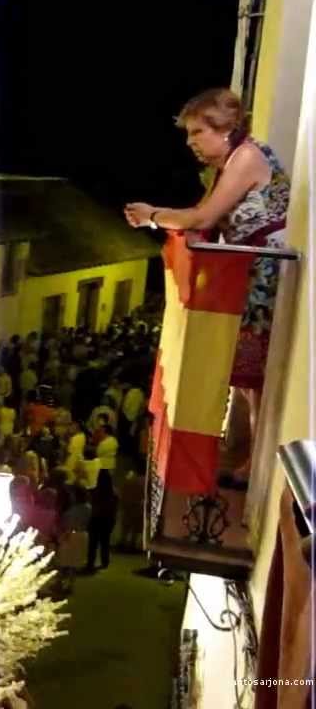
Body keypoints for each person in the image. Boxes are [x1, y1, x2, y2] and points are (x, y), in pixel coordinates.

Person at [125, 88, 291, 483]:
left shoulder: (246, 158)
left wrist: (153, 216)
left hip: (265, 277)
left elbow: (202, 217)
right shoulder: (231, 163)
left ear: (226, 128)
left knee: (255, 379)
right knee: (249, 378)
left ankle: (257, 460)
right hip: (252, 276)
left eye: (198, 131)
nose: (191, 142)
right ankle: (250, 455)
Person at [86, 470, 119, 572]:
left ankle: (90, 562)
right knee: (105, 542)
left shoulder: (94, 491)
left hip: (95, 519)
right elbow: (115, 508)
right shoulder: (114, 493)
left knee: (93, 543)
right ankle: (105, 561)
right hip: (108, 520)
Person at [118, 466, 146, 553]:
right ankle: (132, 544)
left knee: (126, 527)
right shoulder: (145, 481)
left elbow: (122, 492)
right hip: (138, 506)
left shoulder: (130, 480)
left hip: (128, 506)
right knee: (135, 527)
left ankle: (123, 543)